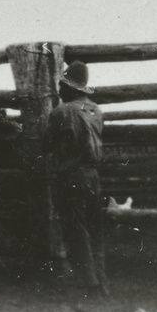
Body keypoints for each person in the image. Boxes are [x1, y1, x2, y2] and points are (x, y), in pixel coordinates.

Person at [44, 61, 110, 299]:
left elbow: (47, 144)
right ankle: (101, 281)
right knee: (95, 228)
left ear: (71, 88)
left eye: (62, 85)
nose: (60, 90)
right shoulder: (96, 110)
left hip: (72, 175)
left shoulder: (61, 112)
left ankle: (90, 283)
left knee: (77, 228)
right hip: (93, 175)